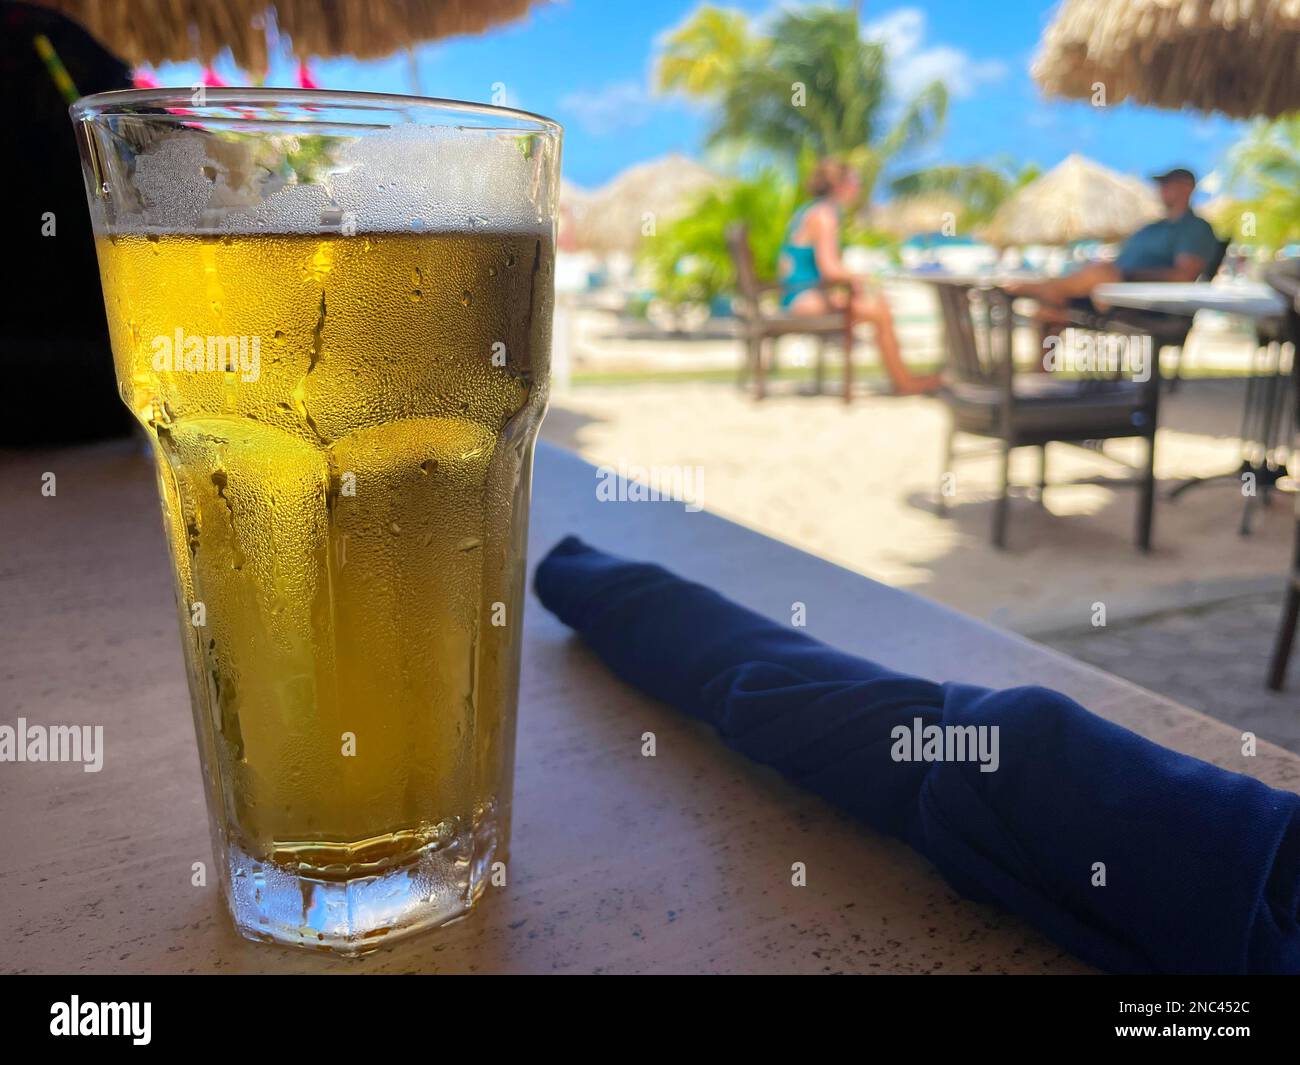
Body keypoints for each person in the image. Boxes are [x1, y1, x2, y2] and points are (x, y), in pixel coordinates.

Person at [779, 158, 941, 396]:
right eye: (855, 181)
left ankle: (904, 379)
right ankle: (904, 382)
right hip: (804, 299)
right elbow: (830, 269)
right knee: (880, 311)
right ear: (840, 185)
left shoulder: (813, 210)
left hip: (802, 295)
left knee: (878, 306)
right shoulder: (825, 216)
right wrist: (867, 277)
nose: (859, 186)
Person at [1007, 167, 1220, 315]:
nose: (1160, 189)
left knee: (1099, 274)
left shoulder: (1194, 228)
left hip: (1142, 301)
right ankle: (1047, 291)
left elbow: (1184, 275)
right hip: (1107, 290)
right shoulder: (1152, 227)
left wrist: (1127, 275)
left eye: (1166, 184)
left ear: (1187, 187)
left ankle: (1037, 288)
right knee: (1049, 308)